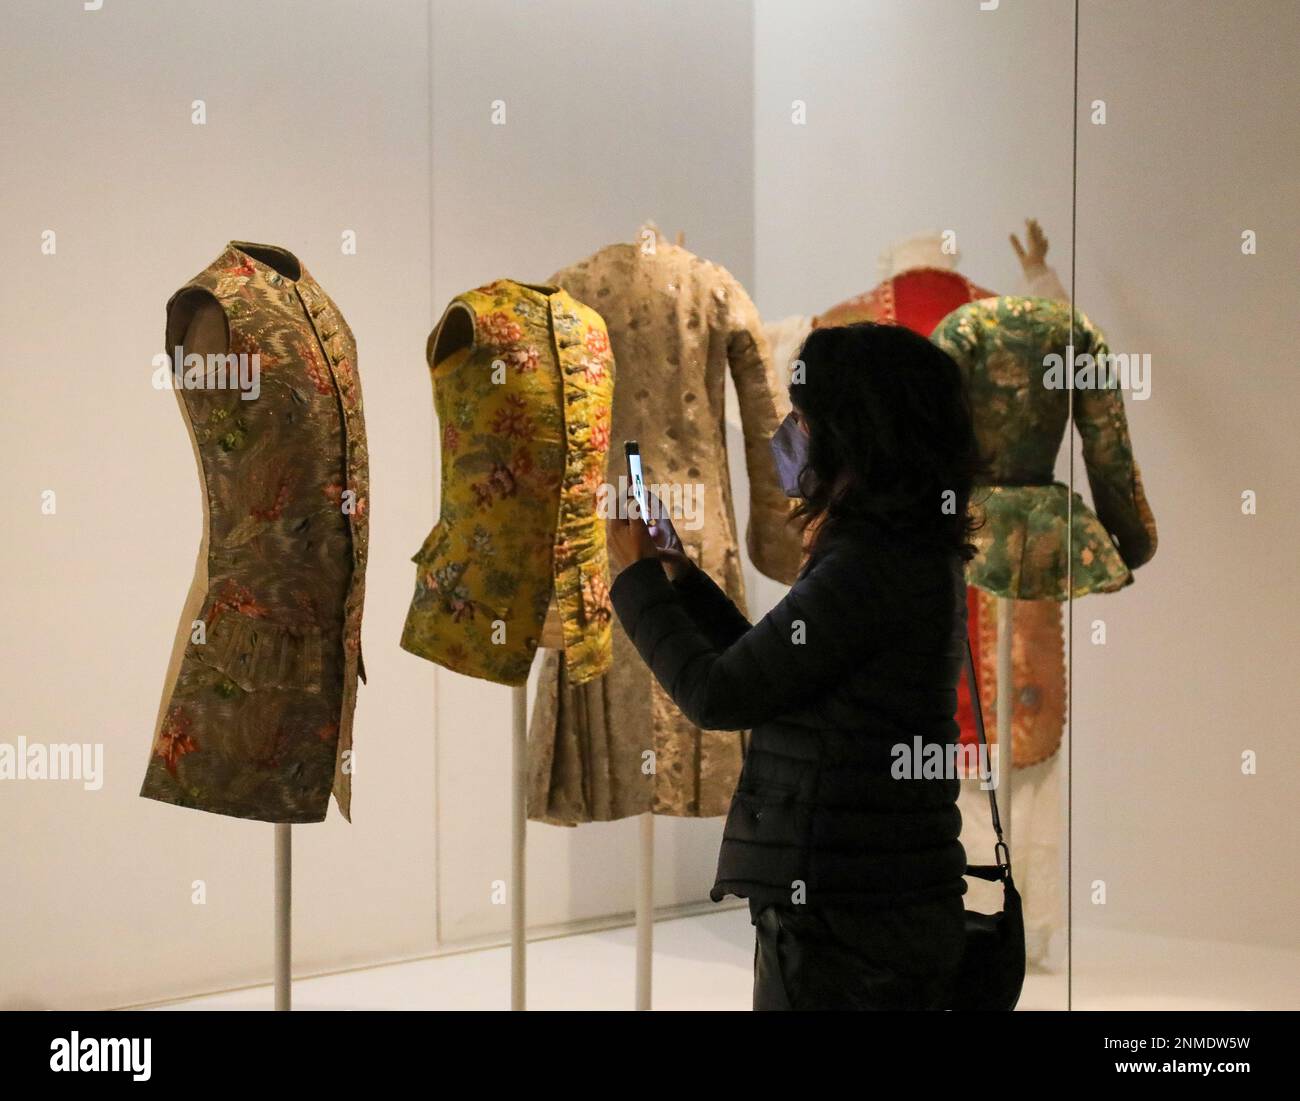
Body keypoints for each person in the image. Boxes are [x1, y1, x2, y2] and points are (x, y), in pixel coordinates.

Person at [606, 321, 983, 1010]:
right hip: (875, 902)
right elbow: (777, 674)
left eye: (803, 418)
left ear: (855, 430)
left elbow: (718, 693)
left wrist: (633, 580)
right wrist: (678, 578)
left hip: (846, 921)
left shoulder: (867, 564)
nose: (789, 435)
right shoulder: (901, 551)